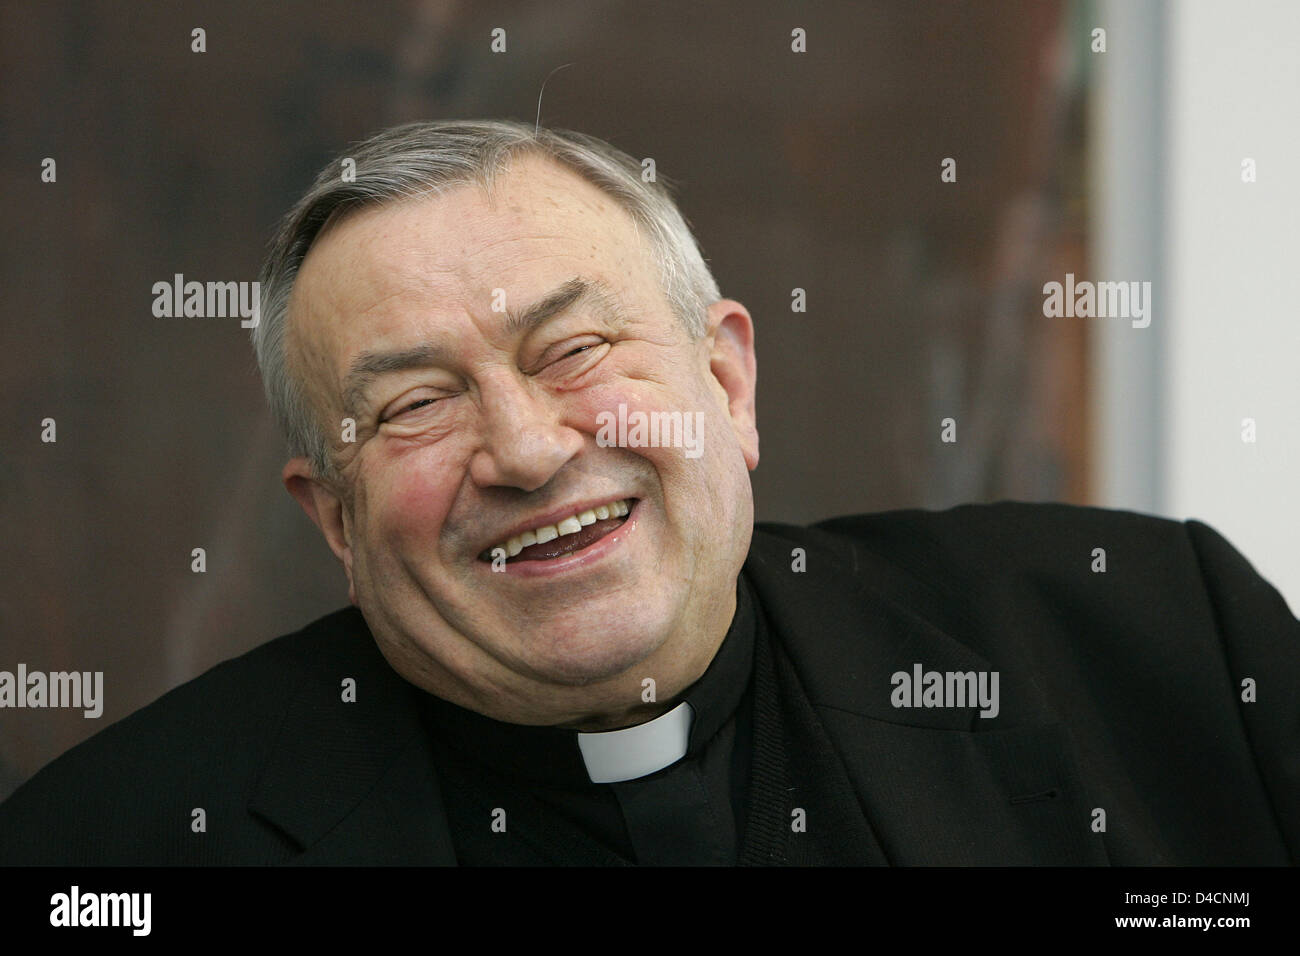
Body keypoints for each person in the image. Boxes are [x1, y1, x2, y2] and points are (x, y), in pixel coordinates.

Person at [1, 120, 1296, 865]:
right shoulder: (107, 852)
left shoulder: (1167, 642)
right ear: (334, 518)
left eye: (574, 351)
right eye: (414, 405)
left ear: (727, 381)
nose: (524, 449)